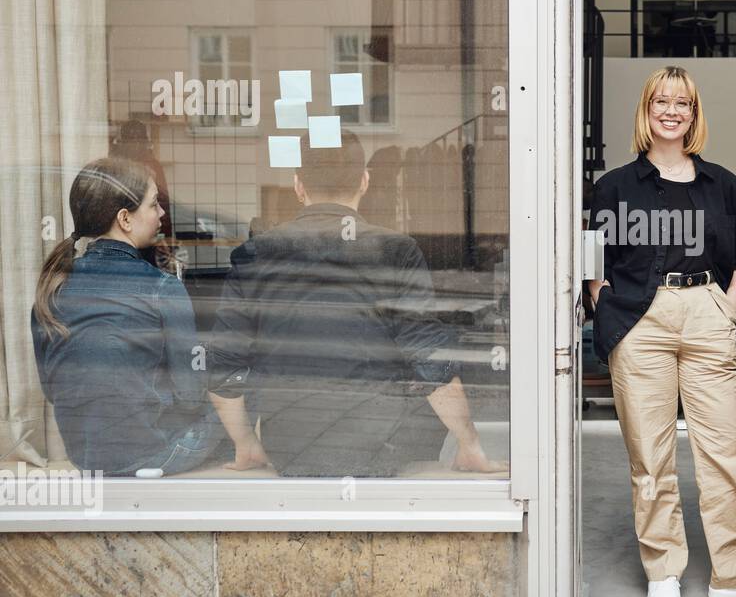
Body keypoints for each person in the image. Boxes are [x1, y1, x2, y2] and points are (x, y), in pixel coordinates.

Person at [587, 65, 736, 597]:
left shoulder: (723, 183)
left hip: (706, 310)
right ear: (646, 111)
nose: (672, 111)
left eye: (683, 104)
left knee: (730, 448)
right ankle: (663, 569)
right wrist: (602, 302)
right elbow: (593, 258)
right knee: (650, 456)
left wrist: (727, 305)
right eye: (661, 102)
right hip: (639, 321)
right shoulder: (615, 186)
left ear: (694, 115)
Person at [207, 131, 504, 477]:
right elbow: (426, 354)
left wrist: (246, 443)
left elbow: (224, 362)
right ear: (364, 182)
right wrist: (469, 444)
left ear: (298, 186)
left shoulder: (257, 253)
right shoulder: (395, 250)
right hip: (382, 449)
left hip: (291, 451)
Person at [30, 157, 243, 475]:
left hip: (86, 457)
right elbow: (189, 395)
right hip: (155, 454)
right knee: (248, 386)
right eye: (154, 204)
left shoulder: (52, 286)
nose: (161, 213)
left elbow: (51, 388)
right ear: (125, 219)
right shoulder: (162, 287)